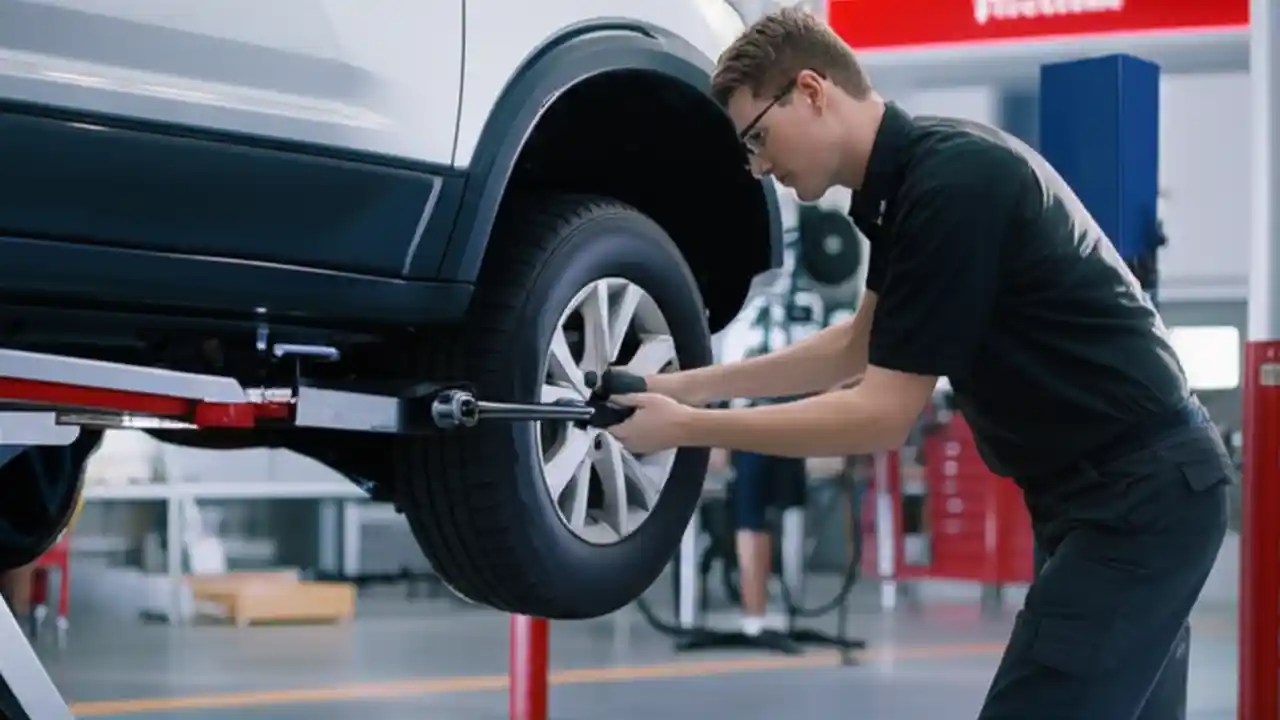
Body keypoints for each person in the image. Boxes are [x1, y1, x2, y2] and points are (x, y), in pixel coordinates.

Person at [608, 8, 1231, 719]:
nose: (760, 169)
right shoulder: (908, 186)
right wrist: (680, 385)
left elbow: (880, 415)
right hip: (1109, 496)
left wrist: (688, 427)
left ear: (810, 91)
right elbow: (853, 347)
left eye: (758, 139)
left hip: (1139, 498)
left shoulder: (951, 185)